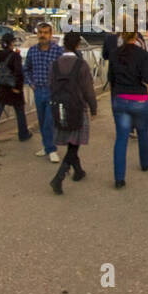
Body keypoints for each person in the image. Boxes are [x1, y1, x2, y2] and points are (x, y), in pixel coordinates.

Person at [106, 31, 148, 187]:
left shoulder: (114, 54)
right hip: (139, 99)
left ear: (121, 35)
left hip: (120, 99)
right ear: (135, 36)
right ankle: (145, 161)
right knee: (143, 132)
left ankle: (119, 178)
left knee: (121, 138)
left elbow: (110, 78)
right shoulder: (142, 54)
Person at [48, 31, 97, 193]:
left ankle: (78, 171)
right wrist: (93, 107)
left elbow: (51, 86)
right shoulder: (81, 65)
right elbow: (88, 89)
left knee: (71, 141)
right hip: (77, 107)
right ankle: (59, 176)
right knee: (75, 143)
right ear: (77, 45)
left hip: (60, 107)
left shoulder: (55, 64)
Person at [0, 30, 31, 150]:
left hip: (1, 88)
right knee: (20, 112)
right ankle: (23, 134)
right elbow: (18, 73)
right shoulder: (15, 56)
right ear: (12, 42)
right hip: (13, 88)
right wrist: (18, 88)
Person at [23, 27, 64, 158]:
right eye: (40, 32)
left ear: (51, 35)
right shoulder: (32, 51)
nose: (42, 35)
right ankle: (46, 146)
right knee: (41, 121)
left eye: (46, 33)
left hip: (53, 91)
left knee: (49, 121)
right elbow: (26, 69)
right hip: (38, 91)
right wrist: (31, 83)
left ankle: (52, 149)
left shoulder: (58, 51)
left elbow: (65, 70)